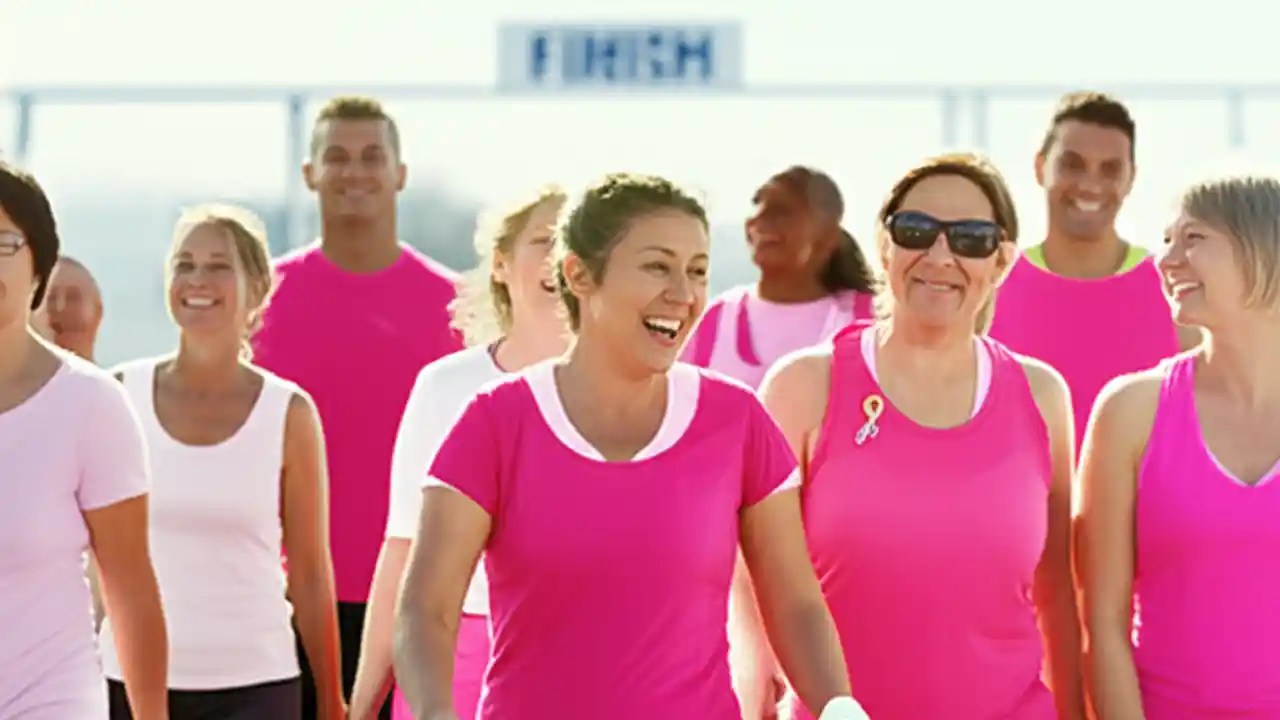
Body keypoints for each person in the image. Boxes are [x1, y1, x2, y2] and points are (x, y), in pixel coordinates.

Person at [393, 173, 867, 720]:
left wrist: (838, 707)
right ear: (579, 275)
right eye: (657, 266)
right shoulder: (494, 421)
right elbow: (426, 610)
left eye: (697, 271)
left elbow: (794, 602)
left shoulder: (737, 421)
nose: (684, 295)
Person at [745, 152, 1084, 719]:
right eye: (917, 231)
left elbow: (1060, 598)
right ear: (885, 245)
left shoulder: (1042, 397)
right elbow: (753, 583)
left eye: (971, 238)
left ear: (1001, 260)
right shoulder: (804, 388)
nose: (940, 256)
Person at [252, 95, 463, 719]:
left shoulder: (455, 306)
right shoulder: (259, 299)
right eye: (337, 157)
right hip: (282, 600)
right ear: (309, 175)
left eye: (373, 157)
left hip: (418, 600)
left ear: (400, 173)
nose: (355, 172)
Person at [98, 205, 345, 720]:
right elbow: (98, 562)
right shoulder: (119, 395)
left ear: (257, 289)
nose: (197, 280)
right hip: (127, 684)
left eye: (217, 265)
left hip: (257, 688)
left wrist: (329, 699)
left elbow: (310, 574)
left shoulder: (290, 413)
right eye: (184, 264)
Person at [349, 185, 569, 720]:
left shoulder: (623, 391)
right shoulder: (444, 387)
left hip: (576, 656)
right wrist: (361, 704)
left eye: (573, 243)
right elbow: (401, 549)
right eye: (544, 240)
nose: (559, 257)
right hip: (452, 662)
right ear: (500, 263)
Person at [1076, 173, 1280, 719]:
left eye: (1193, 239)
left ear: (1265, 247)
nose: (1166, 262)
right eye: (1167, 241)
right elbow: (1102, 624)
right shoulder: (1131, 412)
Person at [0, 160, 168, 719]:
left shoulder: (89, 403)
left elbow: (130, 588)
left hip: (48, 700)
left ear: (38, 266)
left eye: (3, 242)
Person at [989, 91, 1198, 455]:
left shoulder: (1176, 294)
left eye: (1111, 169)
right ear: (1040, 167)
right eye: (1072, 164)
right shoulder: (990, 289)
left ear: (1131, 178)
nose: (1090, 184)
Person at [683, 166, 877, 389]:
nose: (758, 218)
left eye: (781, 210)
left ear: (827, 234)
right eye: (757, 204)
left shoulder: (867, 320)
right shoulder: (718, 318)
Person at [32, 255, 104, 362]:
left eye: (73, 298)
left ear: (98, 311)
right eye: (51, 298)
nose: (60, 307)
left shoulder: (127, 377)